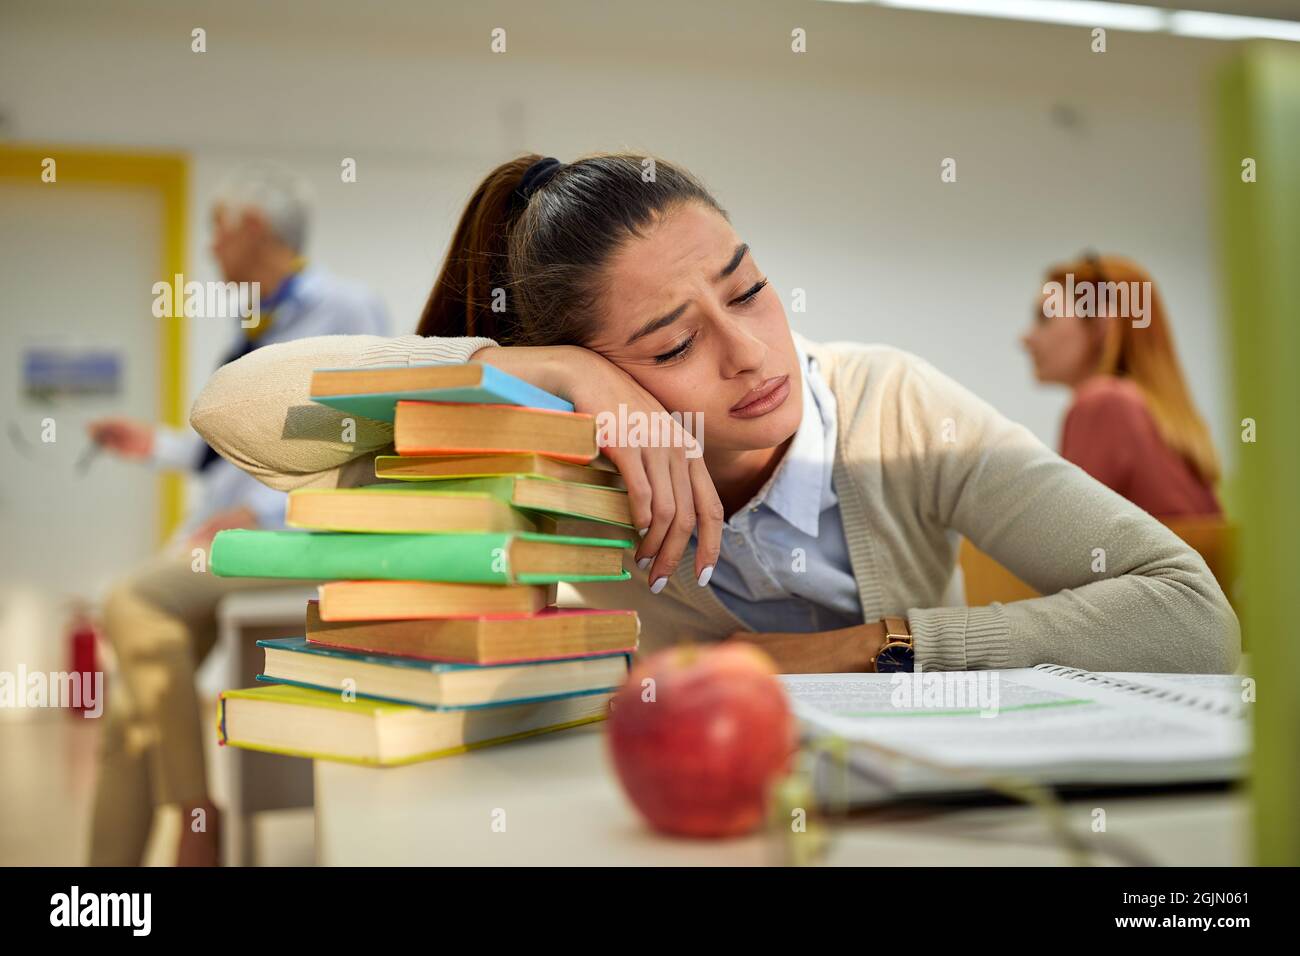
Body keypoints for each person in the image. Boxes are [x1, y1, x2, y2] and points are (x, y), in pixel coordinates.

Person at [190, 153, 1238, 688]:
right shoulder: (576, 458)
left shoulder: (895, 407)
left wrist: (850, 651)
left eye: (747, 289)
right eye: (669, 345)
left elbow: (1191, 616)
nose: (748, 352)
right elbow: (231, 408)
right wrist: (543, 370)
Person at [86, 162, 390, 867]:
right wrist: (153, 446)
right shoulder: (259, 323)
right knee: (130, 721)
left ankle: (197, 817)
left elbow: (364, 437)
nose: (210, 250)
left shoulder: (344, 309)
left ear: (253, 229)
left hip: (295, 539)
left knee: (129, 595)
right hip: (231, 539)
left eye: (217, 231)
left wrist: (259, 514)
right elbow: (233, 449)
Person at [1021, 253, 1223, 518]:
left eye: (1045, 318)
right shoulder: (1155, 414)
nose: (1025, 338)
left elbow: (1066, 538)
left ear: (1101, 326)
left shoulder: (1104, 403)